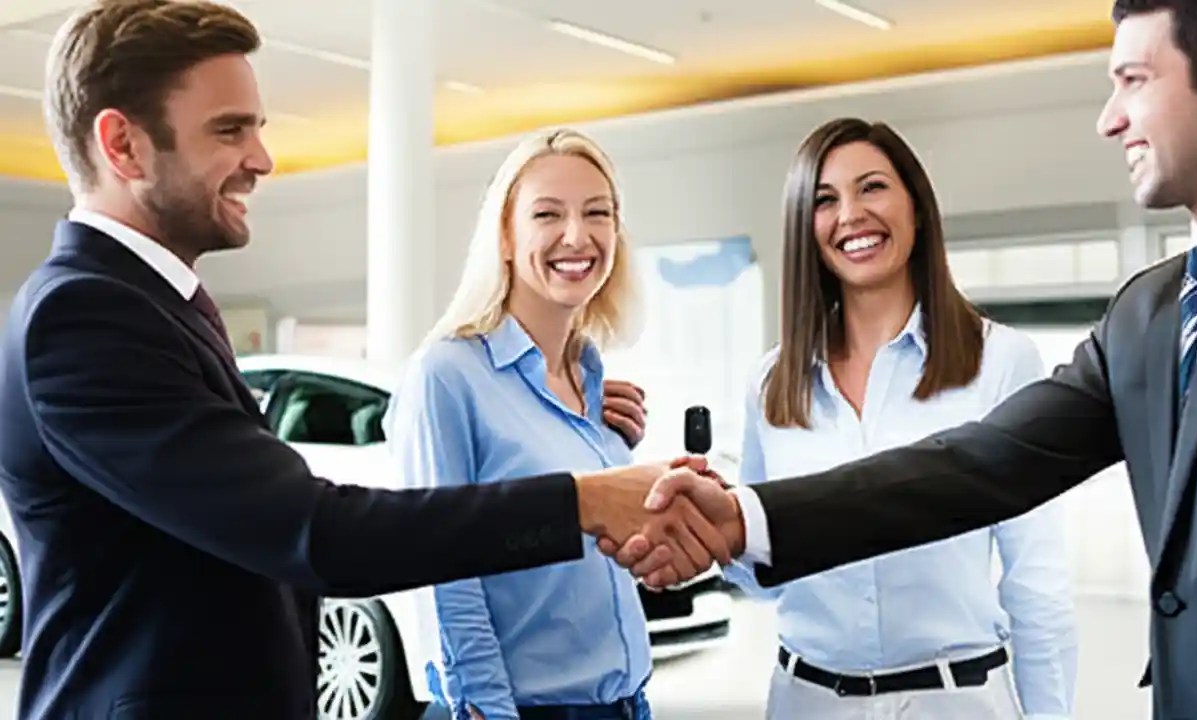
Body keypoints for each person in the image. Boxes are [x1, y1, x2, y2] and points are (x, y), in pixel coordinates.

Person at [0, 2, 724, 717]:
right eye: (229, 130)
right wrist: (584, 499)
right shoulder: (83, 317)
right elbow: (319, 534)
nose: (262, 159)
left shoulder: (154, 302)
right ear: (123, 145)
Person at [627, 0, 1197, 717]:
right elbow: (968, 470)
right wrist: (742, 519)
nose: (1109, 119)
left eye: (1134, 80)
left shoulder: (1005, 353)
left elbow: (1035, 580)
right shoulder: (1146, 315)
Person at [721, 118, 1076, 719]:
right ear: (805, 227)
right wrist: (715, 531)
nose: (851, 215)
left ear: (917, 207)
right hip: (809, 702)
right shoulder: (772, 381)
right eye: (825, 200)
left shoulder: (1001, 361)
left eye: (873, 187)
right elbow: (764, 579)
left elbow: (1036, 581)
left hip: (955, 702)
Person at [386, 129, 665, 720]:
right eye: (547, 214)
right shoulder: (448, 375)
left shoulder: (593, 383)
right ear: (505, 238)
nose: (577, 235)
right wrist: (487, 710)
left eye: (598, 213)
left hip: (623, 705)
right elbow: (445, 576)